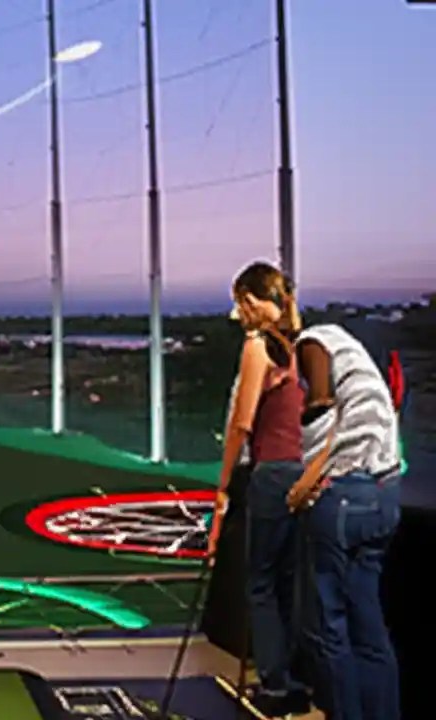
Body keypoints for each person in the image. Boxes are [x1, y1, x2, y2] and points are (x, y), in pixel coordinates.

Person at [207, 261, 313, 717]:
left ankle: (274, 687)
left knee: (261, 585)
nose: (239, 314)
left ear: (252, 300)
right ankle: (291, 680)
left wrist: (224, 484)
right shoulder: (298, 347)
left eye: (241, 303)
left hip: (270, 473)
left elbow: (241, 424)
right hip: (301, 473)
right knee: (286, 583)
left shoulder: (258, 347)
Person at [286, 321, 404, 720]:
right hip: (384, 492)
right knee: (368, 628)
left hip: (344, 498)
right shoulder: (349, 350)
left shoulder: (310, 342)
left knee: (327, 627)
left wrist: (308, 480)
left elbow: (321, 404)